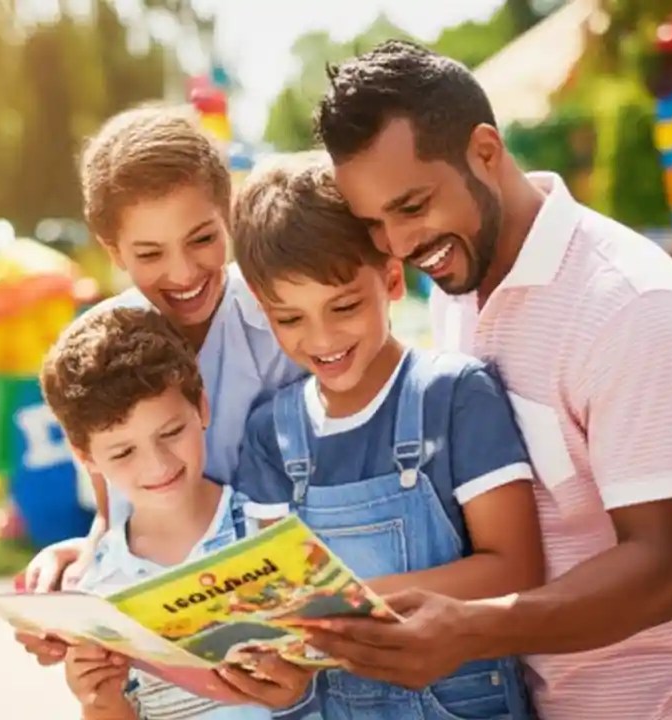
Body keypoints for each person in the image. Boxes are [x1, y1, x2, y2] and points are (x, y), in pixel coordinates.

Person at [294, 40, 672, 720]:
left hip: (671, 704)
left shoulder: (630, 305)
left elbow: (663, 569)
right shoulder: (455, 285)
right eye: (375, 223)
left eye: (412, 205)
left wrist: (471, 626)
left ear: (485, 151)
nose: (399, 245)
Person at [230, 154, 544, 720]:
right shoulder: (270, 434)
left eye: (343, 305)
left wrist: (352, 605)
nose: (321, 338)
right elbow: (273, 608)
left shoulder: (453, 395)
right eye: (290, 318)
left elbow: (517, 569)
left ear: (393, 279)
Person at [15, 105, 303, 638]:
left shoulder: (287, 320)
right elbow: (113, 515)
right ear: (112, 250)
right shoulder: (96, 349)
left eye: (202, 239)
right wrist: (81, 572)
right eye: (149, 253)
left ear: (229, 213)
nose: (184, 272)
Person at [40, 306, 315, 719]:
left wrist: (298, 689)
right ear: (86, 457)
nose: (157, 465)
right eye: (123, 451)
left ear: (201, 408)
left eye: (171, 432)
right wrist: (99, 699)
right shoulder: (97, 587)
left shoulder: (271, 529)